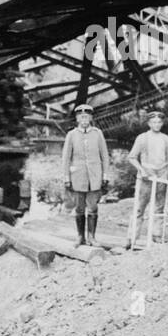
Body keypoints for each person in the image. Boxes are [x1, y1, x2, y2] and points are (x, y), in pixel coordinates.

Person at [62, 103, 110, 245]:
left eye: (86, 117)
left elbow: (105, 156)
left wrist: (105, 175)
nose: (84, 120)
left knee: (93, 207)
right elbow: (66, 158)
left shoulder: (97, 133)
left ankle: (92, 237)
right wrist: (66, 177)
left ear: (90, 118)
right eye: (81, 117)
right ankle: (80, 237)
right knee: (79, 207)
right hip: (77, 176)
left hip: (95, 176)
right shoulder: (71, 135)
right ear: (77, 119)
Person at [128, 110, 168, 229]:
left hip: (162, 174)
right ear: (149, 123)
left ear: (162, 123)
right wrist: (141, 170)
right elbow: (132, 157)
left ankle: (156, 234)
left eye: (159, 122)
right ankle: (132, 236)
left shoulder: (165, 138)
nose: (157, 124)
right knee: (140, 206)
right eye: (154, 122)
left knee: (159, 207)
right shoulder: (142, 138)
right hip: (147, 175)